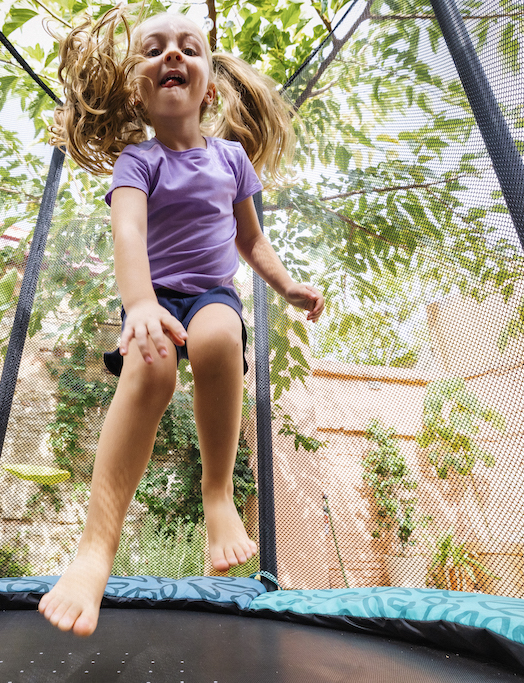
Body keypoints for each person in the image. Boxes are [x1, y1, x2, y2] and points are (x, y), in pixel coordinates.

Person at [40, 6, 324, 637]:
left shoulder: (231, 160)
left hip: (211, 294)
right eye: (154, 49)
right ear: (137, 89)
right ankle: (93, 551)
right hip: (153, 297)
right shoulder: (138, 163)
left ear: (209, 86)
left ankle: (218, 495)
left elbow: (251, 240)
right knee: (151, 368)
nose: (173, 55)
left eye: (188, 48)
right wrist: (140, 305)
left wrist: (284, 283)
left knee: (220, 336)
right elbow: (129, 233)